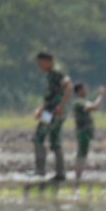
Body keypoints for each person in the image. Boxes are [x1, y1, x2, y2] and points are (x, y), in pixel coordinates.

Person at [32, 51, 72, 180]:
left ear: (47, 61)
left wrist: (61, 105)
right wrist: (41, 108)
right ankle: (50, 171)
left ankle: (46, 171)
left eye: (40, 63)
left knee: (42, 136)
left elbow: (68, 86)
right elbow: (50, 95)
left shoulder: (57, 71)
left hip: (54, 112)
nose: (39, 66)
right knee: (45, 138)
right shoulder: (50, 74)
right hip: (48, 111)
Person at [71, 83, 105, 181]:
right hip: (83, 131)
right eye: (84, 89)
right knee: (82, 152)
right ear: (79, 91)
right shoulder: (79, 102)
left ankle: (79, 174)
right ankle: (78, 175)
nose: (86, 90)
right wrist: (100, 95)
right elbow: (94, 107)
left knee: (83, 152)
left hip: (84, 131)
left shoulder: (82, 102)